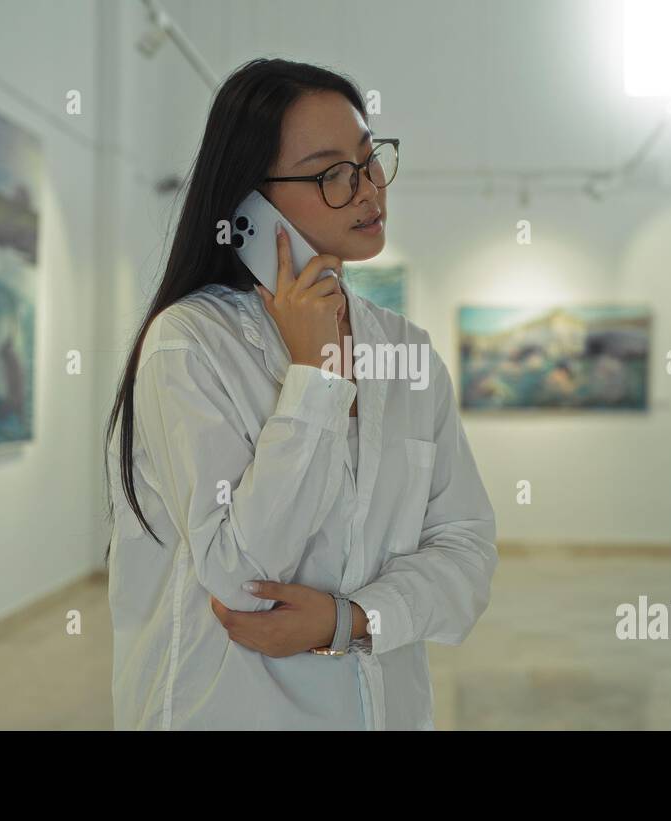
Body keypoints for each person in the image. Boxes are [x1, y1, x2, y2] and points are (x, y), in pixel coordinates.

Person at [103, 58, 497, 730]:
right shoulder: (190, 344)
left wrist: (351, 619)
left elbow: (466, 551)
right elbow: (241, 575)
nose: (369, 189)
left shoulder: (408, 351)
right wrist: (313, 377)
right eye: (330, 174)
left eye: (370, 160)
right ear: (251, 204)